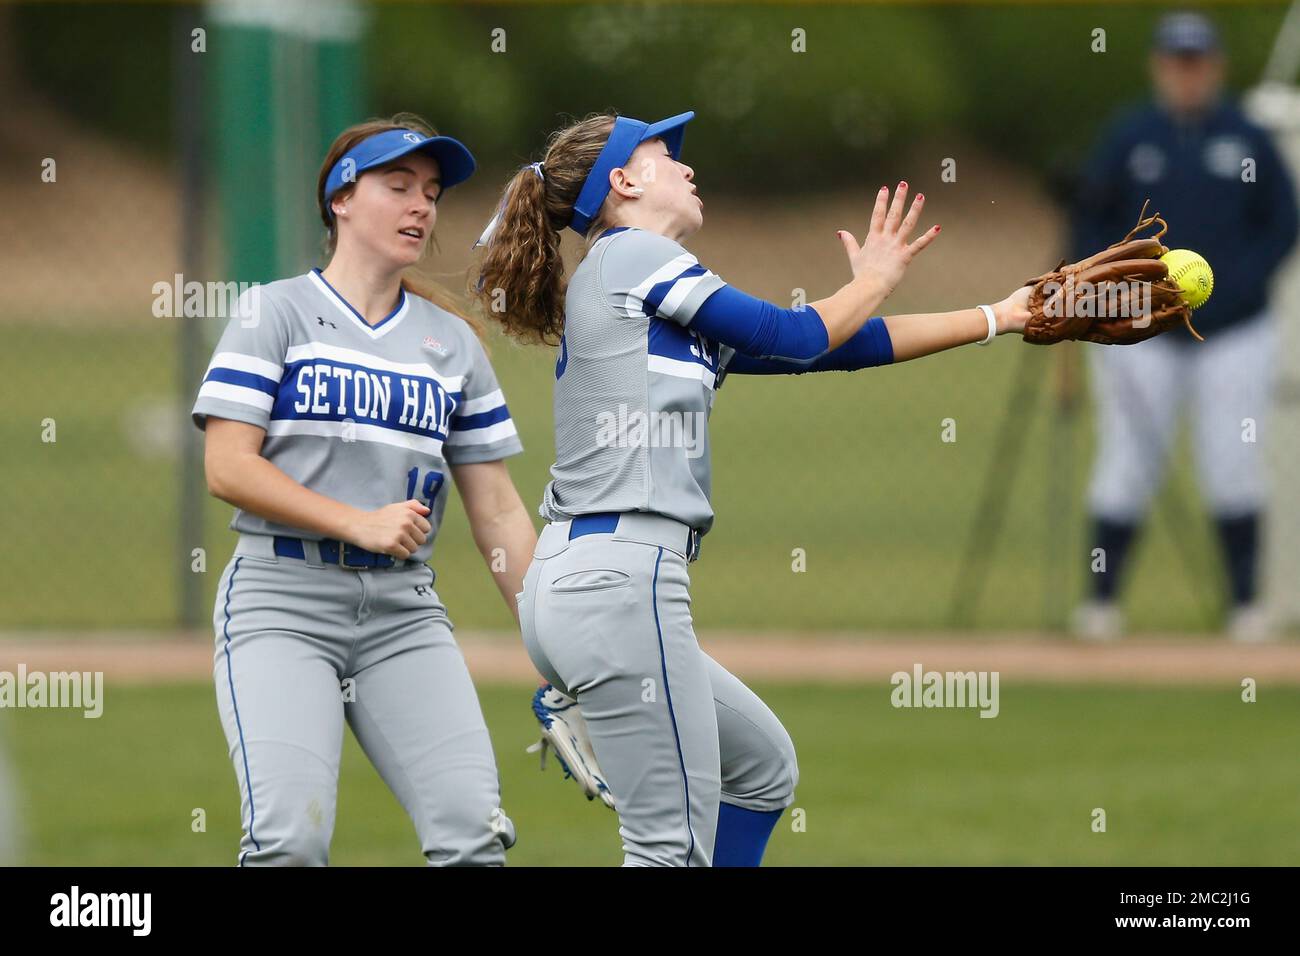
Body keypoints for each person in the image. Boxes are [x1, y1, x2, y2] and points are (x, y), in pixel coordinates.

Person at [474, 110, 1035, 866]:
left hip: (583, 579)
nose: (686, 167)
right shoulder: (632, 255)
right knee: (666, 849)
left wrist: (999, 316)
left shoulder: (650, 295)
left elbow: (829, 349)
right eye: (664, 155)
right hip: (619, 581)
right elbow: (793, 332)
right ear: (623, 183)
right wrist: (870, 279)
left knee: (762, 769)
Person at [191, 113, 537, 865]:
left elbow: (500, 508)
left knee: (474, 840)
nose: (422, 206)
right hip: (281, 602)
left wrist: (556, 638)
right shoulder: (274, 313)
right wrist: (357, 522)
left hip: (402, 617)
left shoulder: (454, 345)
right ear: (340, 199)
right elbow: (228, 468)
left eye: (432, 192)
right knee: (291, 842)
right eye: (398, 185)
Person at [1070, 12, 1299, 642]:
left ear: (1215, 67)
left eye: (1197, 62)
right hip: (1142, 332)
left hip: (1234, 331)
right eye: (1176, 62)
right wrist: (1117, 294)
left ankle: (1245, 606)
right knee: (1127, 460)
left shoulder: (1247, 138)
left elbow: (1282, 224)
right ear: (1159, 67)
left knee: (1233, 460)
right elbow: (1092, 224)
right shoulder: (1130, 137)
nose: (1186, 74)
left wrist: (1235, 293)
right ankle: (1101, 601)